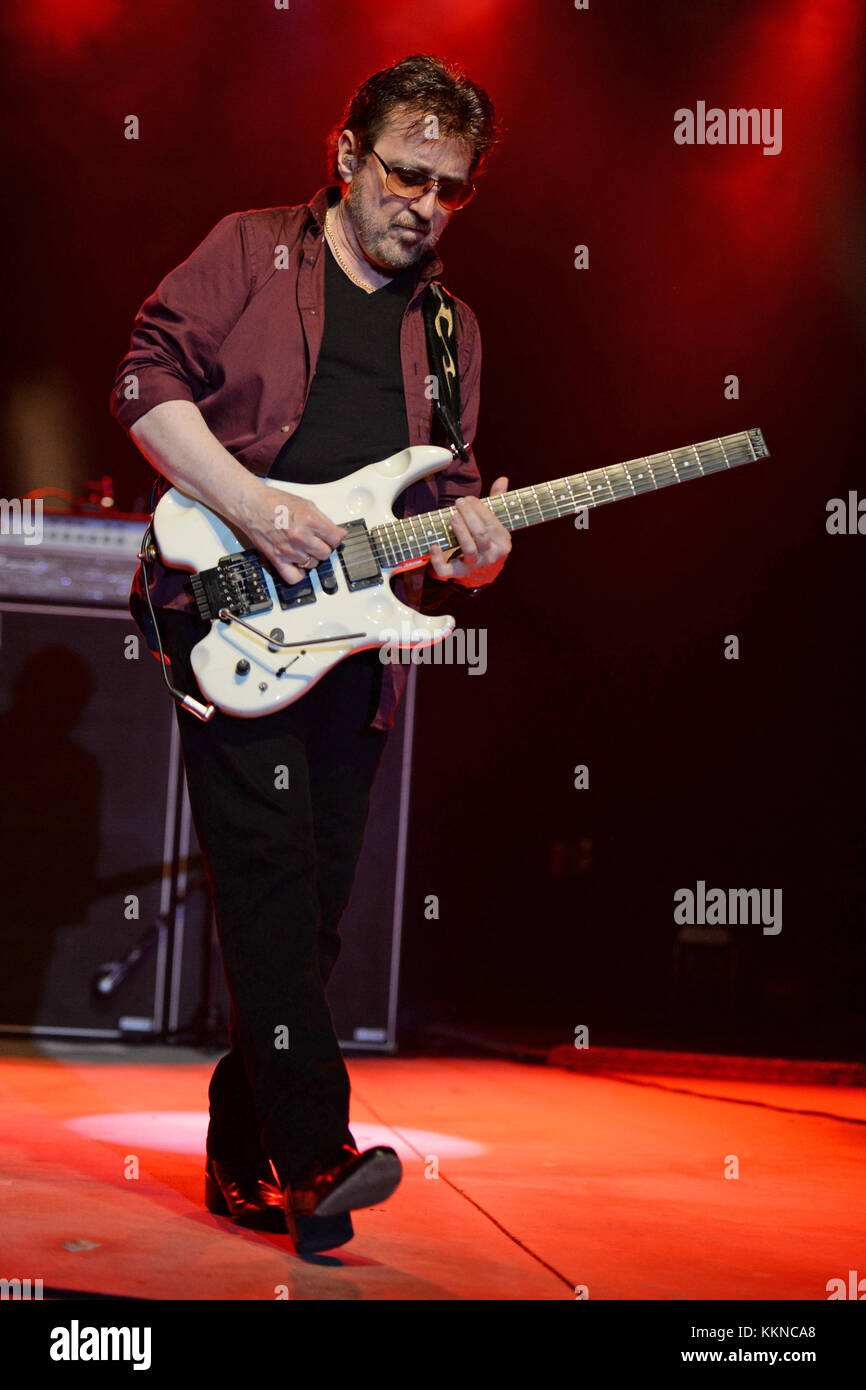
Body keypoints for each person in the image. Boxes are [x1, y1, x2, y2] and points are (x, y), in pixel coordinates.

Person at [109, 53, 511, 1255]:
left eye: (450, 189)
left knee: (318, 901)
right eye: (404, 174)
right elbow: (142, 378)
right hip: (221, 608)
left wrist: (476, 551)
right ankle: (317, 1152)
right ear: (345, 158)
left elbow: (450, 504)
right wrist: (254, 505)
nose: (423, 206)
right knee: (272, 882)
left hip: (350, 646)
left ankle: (242, 1159)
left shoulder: (452, 331)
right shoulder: (250, 249)